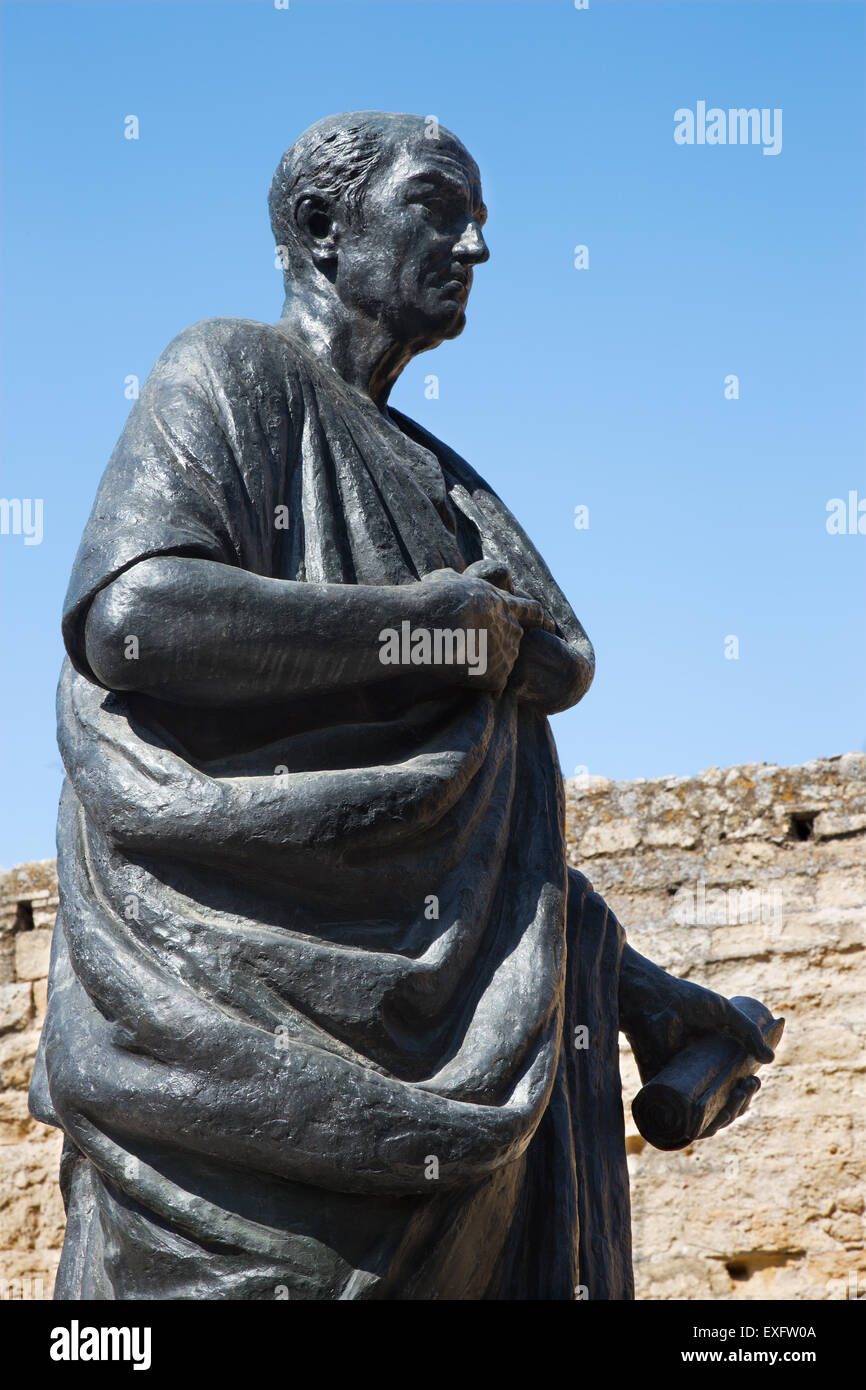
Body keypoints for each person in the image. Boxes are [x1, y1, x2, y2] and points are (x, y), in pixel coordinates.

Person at [30, 111, 772, 1300]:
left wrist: (638, 992)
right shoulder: (224, 371)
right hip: (232, 1062)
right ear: (321, 228)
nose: (474, 244)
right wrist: (424, 633)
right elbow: (135, 619)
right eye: (439, 206)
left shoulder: (440, 477)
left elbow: (533, 715)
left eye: (477, 218)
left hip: (457, 1098)